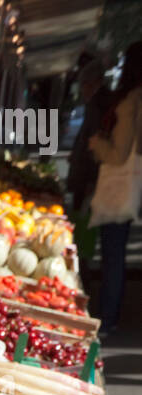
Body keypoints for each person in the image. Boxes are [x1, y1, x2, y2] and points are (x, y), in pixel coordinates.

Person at [88, 41, 142, 335]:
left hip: (120, 186)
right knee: (115, 252)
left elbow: (119, 155)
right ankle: (110, 313)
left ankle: (108, 317)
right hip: (131, 184)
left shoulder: (131, 102)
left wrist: (98, 145)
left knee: (113, 253)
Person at [66, 58, 111, 294]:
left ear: (92, 83)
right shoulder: (100, 103)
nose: (82, 90)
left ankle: (83, 280)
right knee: (84, 230)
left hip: (88, 179)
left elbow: (92, 144)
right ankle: (84, 275)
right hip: (88, 177)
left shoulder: (99, 104)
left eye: (83, 85)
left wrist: (87, 177)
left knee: (84, 229)